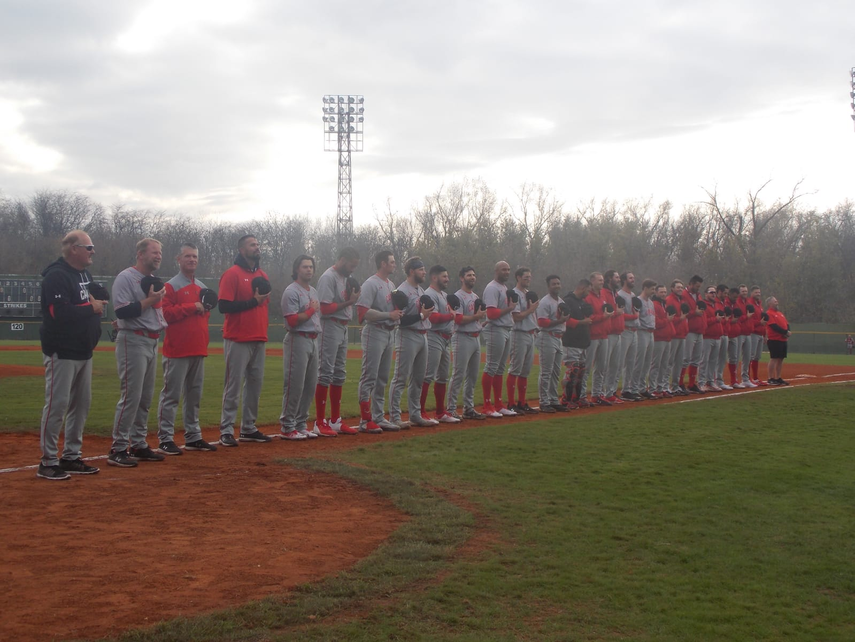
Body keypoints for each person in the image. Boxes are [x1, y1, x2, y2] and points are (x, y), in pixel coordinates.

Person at [37, 230, 106, 480]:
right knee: (57, 405)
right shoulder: (56, 275)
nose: (93, 251)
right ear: (73, 249)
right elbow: (60, 313)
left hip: (83, 350)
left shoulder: (83, 275)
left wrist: (99, 299)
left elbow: (92, 299)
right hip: (62, 351)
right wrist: (92, 307)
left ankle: (71, 456)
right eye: (89, 247)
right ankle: (47, 461)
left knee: (81, 406)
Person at [108, 238, 168, 467]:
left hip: (152, 340)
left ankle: (139, 443)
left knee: (144, 398)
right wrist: (150, 300)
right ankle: (118, 448)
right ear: (140, 254)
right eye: (154, 252)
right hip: (133, 339)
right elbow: (122, 311)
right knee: (131, 397)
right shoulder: (126, 277)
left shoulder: (153, 280)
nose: (158, 256)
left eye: (160, 252)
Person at [155, 243, 217, 455]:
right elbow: (165, 314)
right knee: (171, 395)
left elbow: (205, 314)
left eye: (195, 257)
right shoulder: (170, 286)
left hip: (198, 348)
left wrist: (199, 310)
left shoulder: (201, 287)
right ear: (178, 259)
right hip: (177, 349)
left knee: (194, 396)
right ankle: (165, 438)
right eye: (188, 256)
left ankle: (193, 436)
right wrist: (192, 307)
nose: (192, 260)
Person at [217, 234, 273, 446]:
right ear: (242, 250)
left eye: (258, 244)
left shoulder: (262, 275)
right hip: (238, 337)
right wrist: (252, 302)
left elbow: (263, 305)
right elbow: (223, 306)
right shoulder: (232, 274)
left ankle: (248, 427)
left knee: (254, 386)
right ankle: (226, 429)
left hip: (259, 337)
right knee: (233, 386)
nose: (257, 247)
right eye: (252, 245)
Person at [356, 250, 403, 433]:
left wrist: (398, 313)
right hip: (375, 331)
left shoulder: (390, 284)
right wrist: (388, 315)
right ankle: (365, 420)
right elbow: (362, 311)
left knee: (382, 378)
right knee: (369, 377)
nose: (394, 264)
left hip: (389, 332)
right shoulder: (370, 283)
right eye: (391, 261)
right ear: (383, 263)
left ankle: (378, 416)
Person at [315, 247, 360, 435]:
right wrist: (350, 302)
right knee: (325, 372)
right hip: (329, 325)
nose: (352, 270)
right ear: (341, 260)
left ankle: (335, 420)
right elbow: (324, 309)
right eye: (351, 265)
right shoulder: (328, 277)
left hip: (342, 326)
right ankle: (319, 422)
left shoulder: (344, 278)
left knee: (339, 373)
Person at [389, 256, 437, 429]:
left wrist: (424, 316)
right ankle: (395, 416)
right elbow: (400, 320)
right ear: (411, 271)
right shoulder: (401, 290)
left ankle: (415, 414)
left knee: (418, 378)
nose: (424, 272)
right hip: (407, 335)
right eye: (421, 269)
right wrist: (422, 315)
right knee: (401, 377)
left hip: (423, 335)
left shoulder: (421, 291)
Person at [279, 256, 322, 440]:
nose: (309, 270)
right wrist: (311, 310)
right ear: (297, 269)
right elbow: (292, 321)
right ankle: (288, 427)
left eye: (311, 267)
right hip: (298, 338)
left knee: (310, 384)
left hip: (313, 339)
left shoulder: (313, 290)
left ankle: (301, 424)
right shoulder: (291, 291)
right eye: (305, 267)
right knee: (295, 384)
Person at [446, 266, 487, 420]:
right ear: (462, 278)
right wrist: (477, 317)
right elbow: (458, 319)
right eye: (469, 275)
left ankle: (468, 408)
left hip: (476, 337)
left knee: (472, 376)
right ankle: (450, 409)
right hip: (462, 337)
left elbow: (475, 317)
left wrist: (480, 319)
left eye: (474, 275)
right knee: (458, 374)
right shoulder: (458, 296)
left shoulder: (475, 296)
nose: (472, 277)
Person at [422, 264, 460, 423]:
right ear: (434, 277)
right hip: (433, 336)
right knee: (427, 375)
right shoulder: (430, 294)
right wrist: (450, 316)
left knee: (442, 376)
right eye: (444, 276)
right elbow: (433, 318)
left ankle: (440, 412)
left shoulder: (444, 294)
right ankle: (420, 411)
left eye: (447, 276)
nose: (447, 279)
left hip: (445, 338)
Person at [481, 261, 518, 417]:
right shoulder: (492, 288)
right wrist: (509, 309)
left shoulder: (504, 288)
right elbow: (491, 314)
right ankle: (487, 404)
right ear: (496, 270)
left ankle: (498, 404)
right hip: (495, 329)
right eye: (504, 269)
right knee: (492, 366)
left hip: (505, 329)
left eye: (509, 269)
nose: (507, 272)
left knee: (500, 368)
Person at [535, 274, 569, 412]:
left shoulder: (560, 301)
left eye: (558, 283)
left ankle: (553, 399)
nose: (556, 286)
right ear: (548, 286)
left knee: (556, 371)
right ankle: (544, 401)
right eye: (553, 284)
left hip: (558, 337)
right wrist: (560, 321)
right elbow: (541, 322)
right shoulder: (545, 301)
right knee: (546, 371)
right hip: (547, 336)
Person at [508, 267, 540, 414]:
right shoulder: (515, 294)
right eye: (525, 277)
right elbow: (516, 316)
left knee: (525, 371)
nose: (528, 279)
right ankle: (511, 403)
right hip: (518, 333)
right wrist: (531, 309)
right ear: (518, 277)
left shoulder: (528, 294)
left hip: (530, 333)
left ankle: (521, 402)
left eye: (529, 277)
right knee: (515, 368)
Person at [582, 272, 615, 405]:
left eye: (602, 280)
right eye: (599, 280)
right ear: (592, 282)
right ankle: (582, 395)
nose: (602, 282)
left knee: (602, 367)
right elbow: (588, 318)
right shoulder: (588, 297)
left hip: (604, 335)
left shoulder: (603, 296)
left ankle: (597, 394)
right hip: (593, 336)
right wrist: (604, 317)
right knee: (587, 366)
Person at [561, 278, 593, 408]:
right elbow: (565, 321)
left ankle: (576, 398)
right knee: (572, 371)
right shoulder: (568, 301)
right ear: (583, 288)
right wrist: (581, 322)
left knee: (580, 372)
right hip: (571, 341)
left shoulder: (582, 302)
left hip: (582, 342)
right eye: (588, 290)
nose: (589, 293)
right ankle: (565, 399)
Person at [614, 272, 640, 401]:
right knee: (620, 362)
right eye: (630, 278)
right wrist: (634, 317)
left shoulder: (633, 295)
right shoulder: (619, 295)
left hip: (634, 331)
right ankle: (612, 390)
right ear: (624, 280)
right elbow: (620, 314)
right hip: (625, 331)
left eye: (633, 278)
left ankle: (627, 389)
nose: (633, 280)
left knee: (631, 362)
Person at [629, 278, 656, 399]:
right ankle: (633, 388)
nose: (653, 291)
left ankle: (641, 387)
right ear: (645, 288)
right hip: (641, 332)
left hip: (650, 332)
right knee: (639, 362)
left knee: (647, 363)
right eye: (652, 289)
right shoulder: (638, 300)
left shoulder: (650, 302)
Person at [680, 275, 707, 393]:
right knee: (686, 358)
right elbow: (683, 312)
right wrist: (693, 312)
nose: (698, 288)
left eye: (699, 286)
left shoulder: (698, 295)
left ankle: (692, 383)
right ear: (690, 284)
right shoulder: (684, 295)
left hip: (699, 330)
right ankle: (680, 383)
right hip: (689, 330)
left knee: (696, 359)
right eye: (696, 286)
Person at [602, 269, 625, 403]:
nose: (618, 280)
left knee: (615, 365)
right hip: (609, 333)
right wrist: (617, 312)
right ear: (609, 279)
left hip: (618, 333)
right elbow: (607, 312)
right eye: (616, 277)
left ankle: (611, 392)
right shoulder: (604, 293)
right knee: (604, 365)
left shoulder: (615, 293)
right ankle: (601, 393)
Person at [650, 284, 676, 398]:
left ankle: (660, 388)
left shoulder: (663, 304)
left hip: (667, 338)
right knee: (656, 365)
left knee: (664, 365)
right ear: (656, 292)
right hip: (658, 338)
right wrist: (667, 320)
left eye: (665, 292)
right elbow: (656, 323)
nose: (663, 294)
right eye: (661, 292)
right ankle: (653, 388)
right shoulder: (655, 305)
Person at [665, 280, 689, 395]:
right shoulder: (669, 300)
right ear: (672, 288)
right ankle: (665, 386)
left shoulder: (682, 300)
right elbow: (668, 319)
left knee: (679, 362)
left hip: (682, 335)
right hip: (674, 335)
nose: (680, 289)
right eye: (678, 287)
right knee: (669, 362)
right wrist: (680, 318)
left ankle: (675, 386)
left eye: (682, 287)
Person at [699, 285, 723, 392]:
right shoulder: (704, 305)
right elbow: (704, 322)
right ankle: (701, 382)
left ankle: (710, 381)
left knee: (713, 361)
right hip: (707, 337)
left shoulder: (717, 305)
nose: (713, 294)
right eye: (711, 292)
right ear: (706, 294)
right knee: (704, 360)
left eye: (714, 292)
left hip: (717, 336)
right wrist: (715, 319)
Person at [765, 296, 791, 385]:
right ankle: (770, 378)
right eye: (775, 301)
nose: (777, 302)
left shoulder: (780, 313)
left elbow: (786, 324)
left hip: (782, 339)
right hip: (774, 339)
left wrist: (787, 332)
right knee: (774, 358)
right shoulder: (769, 313)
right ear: (770, 303)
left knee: (781, 359)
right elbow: (774, 326)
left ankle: (778, 377)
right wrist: (785, 332)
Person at [713, 284, 733, 391]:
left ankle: (719, 380)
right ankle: (712, 380)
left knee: (722, 359)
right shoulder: (715, 303)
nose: (726, 295)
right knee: (714, 359)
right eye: (725, 293)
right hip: (717, 334)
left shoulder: (724, 303)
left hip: (725, 333)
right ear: (719, 292)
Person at [747, 285, 768, 386]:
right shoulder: (749, 304)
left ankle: (755, 378)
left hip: (760, 333)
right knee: (750, 356)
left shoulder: (759, 304)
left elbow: (763, 321)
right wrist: (759, 323)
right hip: (753, 333)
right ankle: (747, 377)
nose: (758, 294)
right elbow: (750, 320)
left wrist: (765, 334)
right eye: (756, 292)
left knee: (757, 357)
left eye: (759, 292)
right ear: (751, 293)